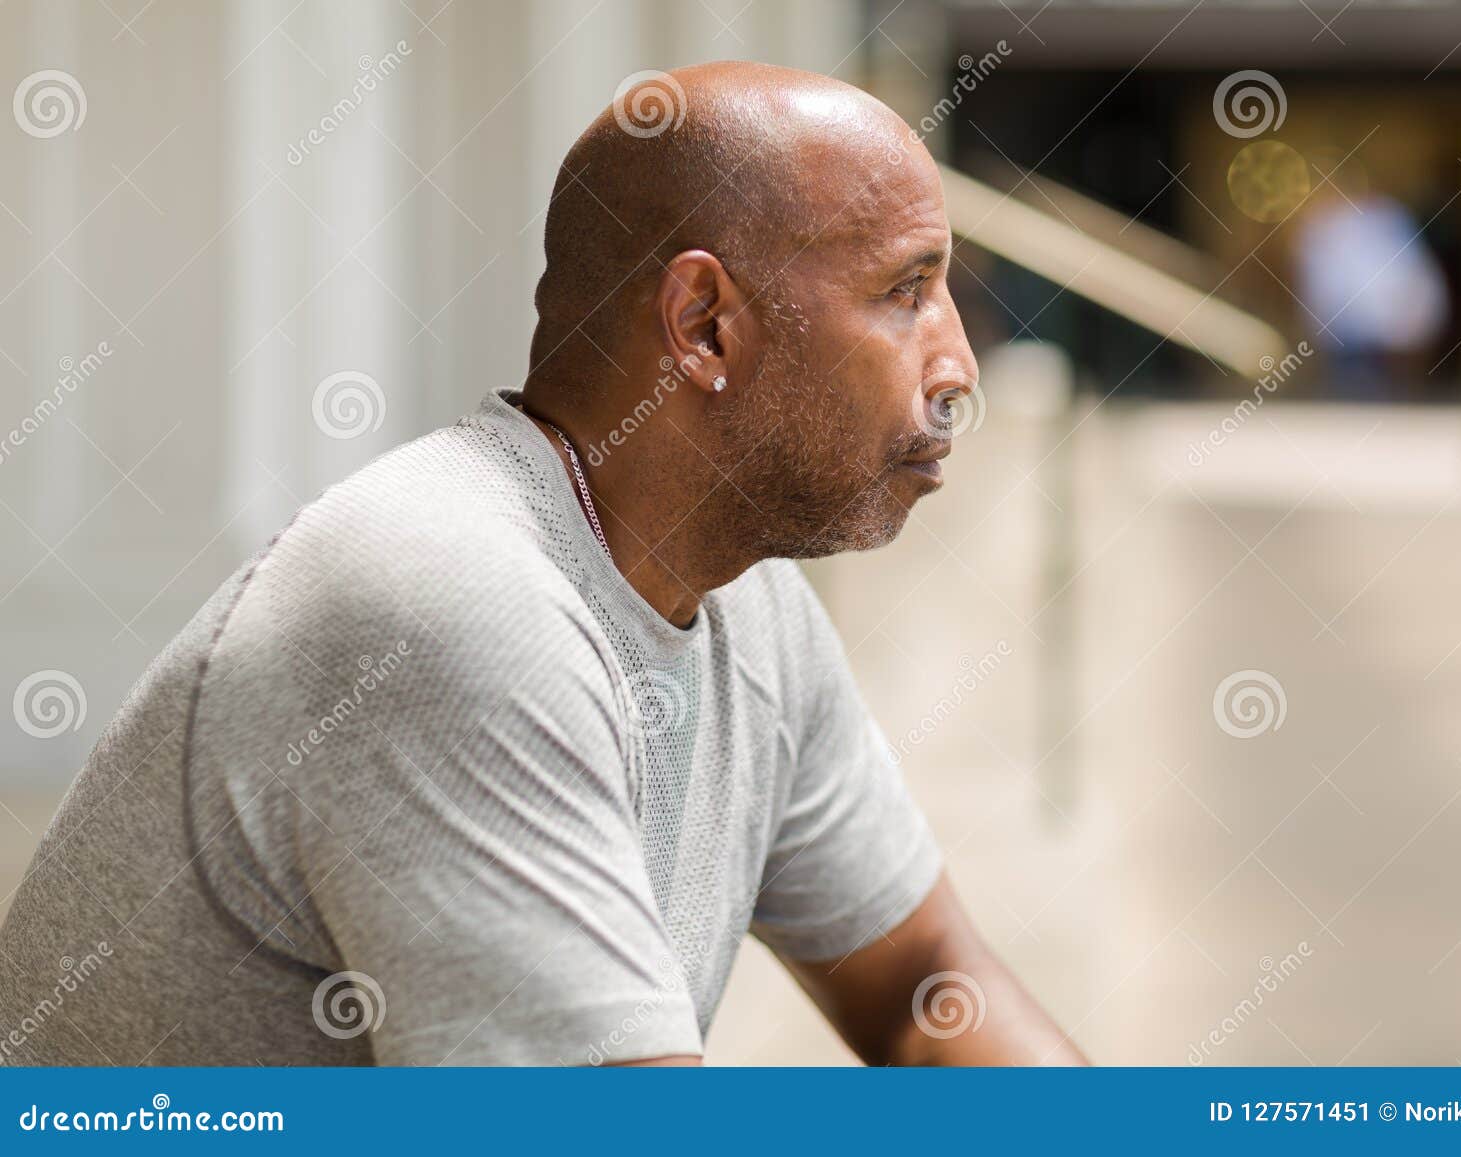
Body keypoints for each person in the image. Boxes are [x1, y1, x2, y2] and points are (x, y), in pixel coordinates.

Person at [0, 62, 1084, 1067]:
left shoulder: (753, 610)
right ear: (704, 326)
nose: (959, 366)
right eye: (905, 292)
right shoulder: (450, 605)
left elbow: (924, 989)